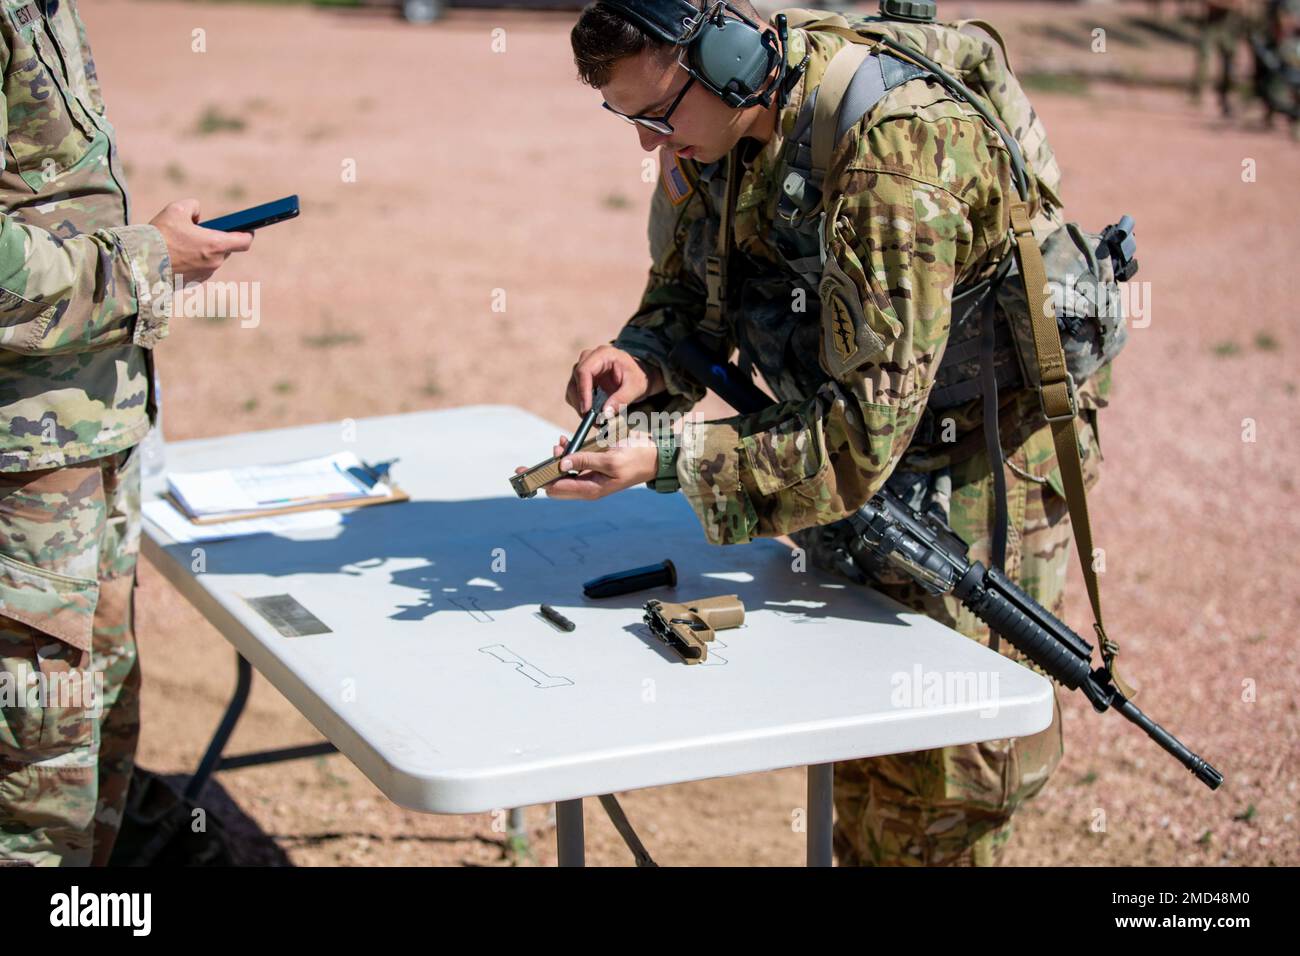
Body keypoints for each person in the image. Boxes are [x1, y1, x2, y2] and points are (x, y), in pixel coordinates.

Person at [524, 0, 1113, 866]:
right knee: (860, 726)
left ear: (726, 58)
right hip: (849, 456)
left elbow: (856, 440)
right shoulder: (716, 131)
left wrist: (669, 457)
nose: (649, 144)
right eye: (630, 118)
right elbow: (690, 301)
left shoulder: (896, 159)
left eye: (657, 115)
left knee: (945, 784)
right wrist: (641, 362)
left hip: (981, 458)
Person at [1, 0, 251, 866]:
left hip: (80, 450)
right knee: (33, 783)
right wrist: (148, 260)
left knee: (92, 735)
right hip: (20, 473)